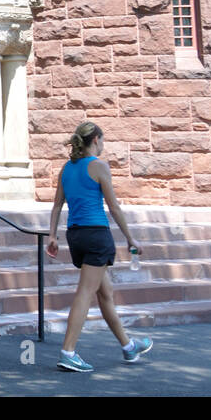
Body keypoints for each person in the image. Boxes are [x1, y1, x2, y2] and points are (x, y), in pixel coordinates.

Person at [46, 120, 153, 372]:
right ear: (96, 140)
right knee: (85, 292)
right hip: (96, 236)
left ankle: (128, 347)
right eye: (102, 141)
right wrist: (131, 239)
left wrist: (52, 236)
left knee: (105, 293)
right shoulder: (99, 167)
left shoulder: (66, 169)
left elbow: (56, 205)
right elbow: (114, 207)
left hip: (76, 237)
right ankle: (68, 352)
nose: (103, 145)